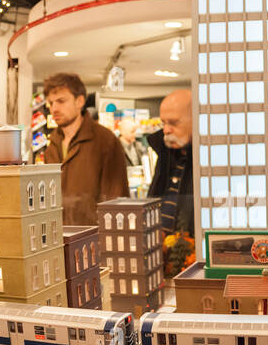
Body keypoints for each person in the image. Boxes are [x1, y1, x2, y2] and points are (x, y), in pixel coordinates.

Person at [43, 73, 128, 226]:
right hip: (58, 239)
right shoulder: (52, 145)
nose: (54, 108)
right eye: (51, 103)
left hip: (94, 240)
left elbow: (117, 198)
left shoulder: (105, 140)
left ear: (80, 101)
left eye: (61, 101)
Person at [147, 89, 194, 237]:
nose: (166, 130)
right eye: (163, 123)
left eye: (173, 123)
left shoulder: (209, 161)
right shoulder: (165, 153)